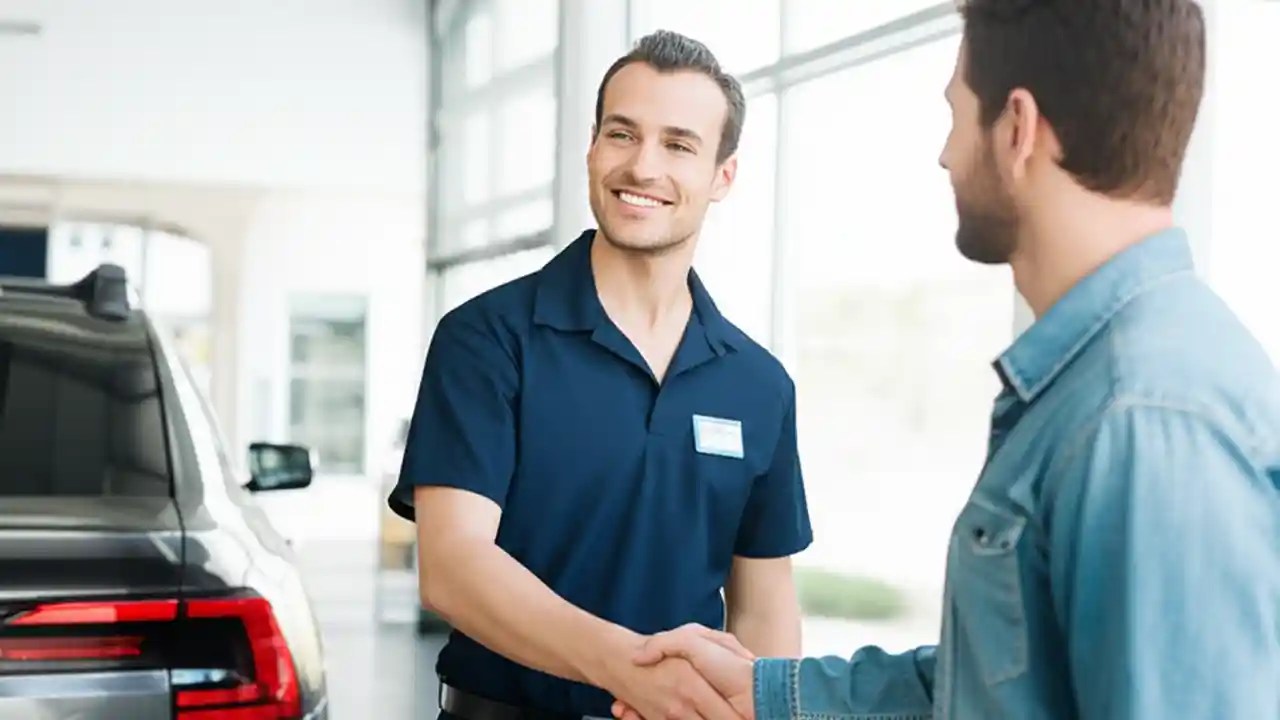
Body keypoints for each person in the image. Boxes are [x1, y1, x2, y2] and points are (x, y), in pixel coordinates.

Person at [613, 0, 1280, 718]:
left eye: (957, 115)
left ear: (1017, 130)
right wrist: (767, 693)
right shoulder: (1108, 385)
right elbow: (998, 677)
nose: (946, 155)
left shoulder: (1142, 419)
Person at [388, 29, 814, 720]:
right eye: (622, 134)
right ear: (591, 148)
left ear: (722, 176)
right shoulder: (487, 339)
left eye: (678, 145)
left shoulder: (760, 386)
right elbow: (452, 567)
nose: (643, 166)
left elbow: (764, 609)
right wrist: (630, 670)